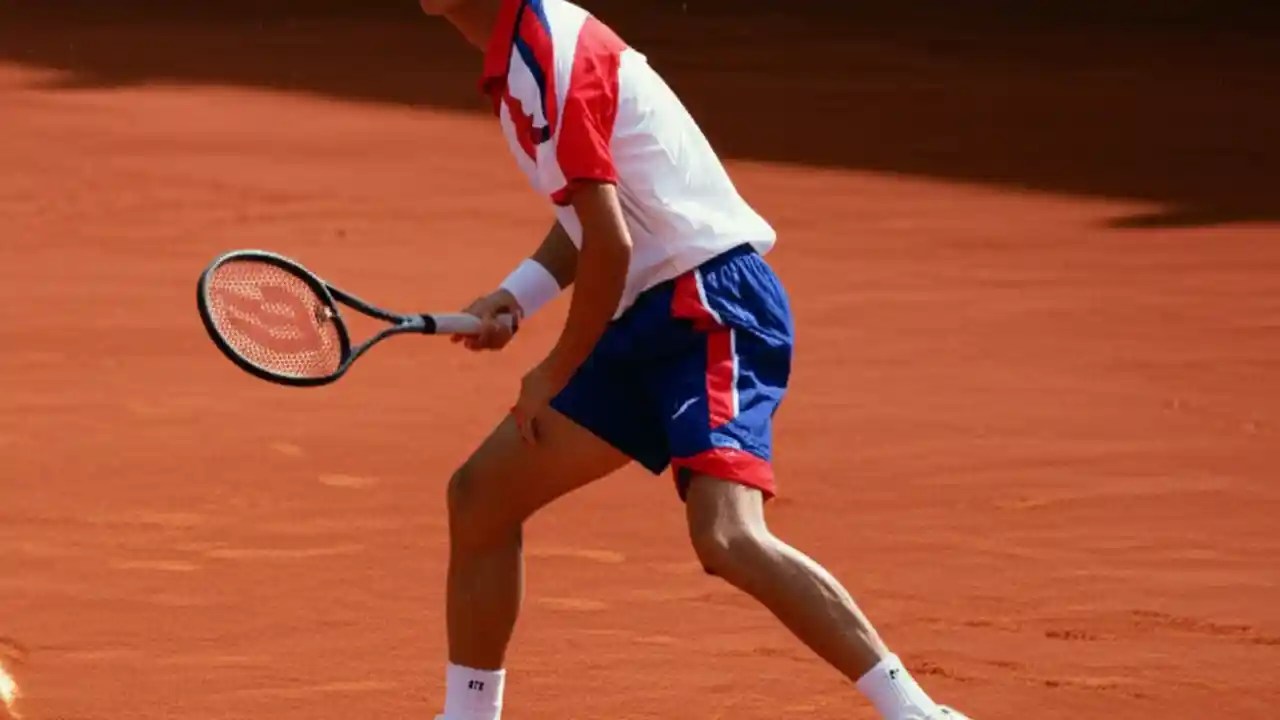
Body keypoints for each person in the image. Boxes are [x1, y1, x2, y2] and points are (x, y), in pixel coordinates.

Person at [417, 1, 973, 718]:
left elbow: (611, 241)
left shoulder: (551, 49)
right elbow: (592, 220)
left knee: (727, 536)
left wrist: (552, 372)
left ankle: (920, 714)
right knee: (481, 497)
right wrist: (516, 297)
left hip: (710, 303)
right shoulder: (519, 59)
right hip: (645, 311)